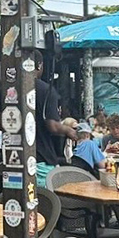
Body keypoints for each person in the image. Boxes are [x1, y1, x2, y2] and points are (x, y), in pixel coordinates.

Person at [34, 52, 77, 185]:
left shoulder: (8, 89)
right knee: (46, 200)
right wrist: (69, 131)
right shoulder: (46, 91)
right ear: (39, 65)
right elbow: (53, 126)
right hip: (41, 158)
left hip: (13, 158)